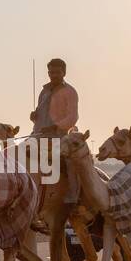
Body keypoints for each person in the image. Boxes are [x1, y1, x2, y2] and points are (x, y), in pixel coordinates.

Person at [30, 58, 80, 204]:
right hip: (39, 135)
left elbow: (73, 117)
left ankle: (73, 193)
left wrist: (55, 126)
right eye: (51, 72)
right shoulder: (43, 92)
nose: (53, 75)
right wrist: (34, 117)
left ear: (64, 72)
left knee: (71, 162)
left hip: (60, 137)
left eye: (57, 72)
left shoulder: (70, 92)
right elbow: (41, 117)